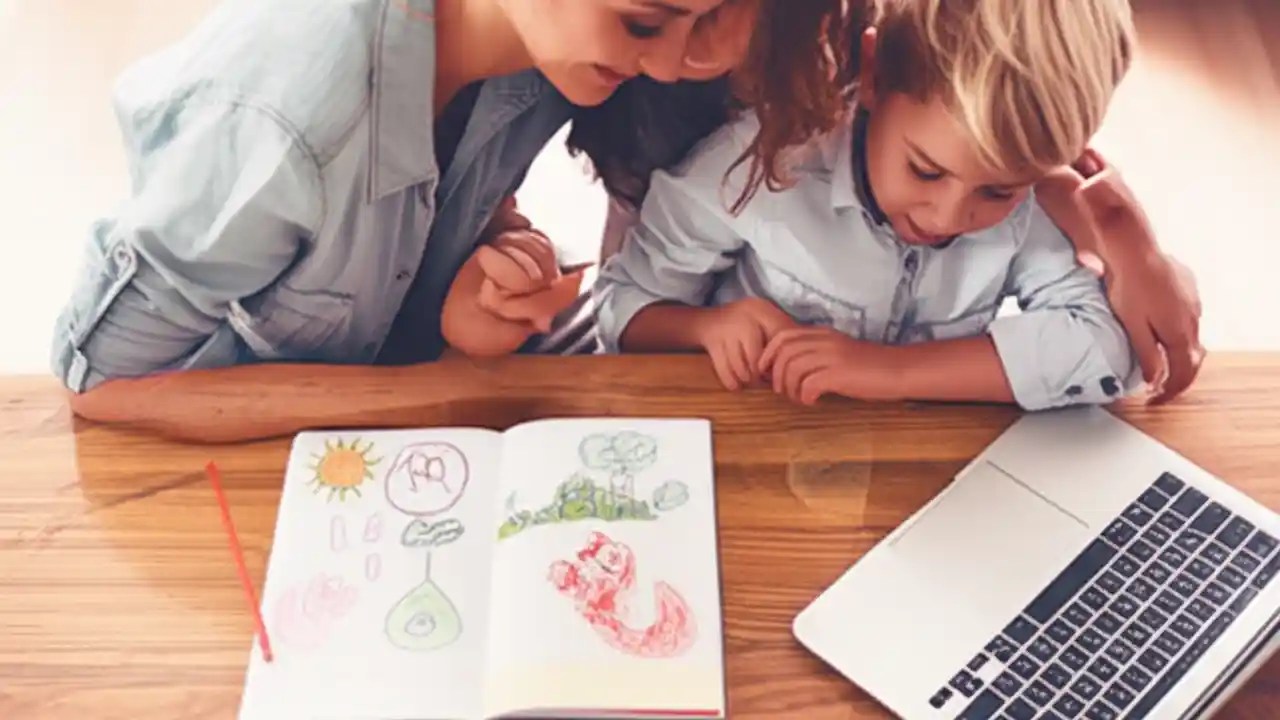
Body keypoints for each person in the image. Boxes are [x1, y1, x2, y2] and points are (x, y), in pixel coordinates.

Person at [52, 0, 1199, 442]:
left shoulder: (563, 57)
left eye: (718, 22)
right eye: (652, 21)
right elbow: (100, 385)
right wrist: (451, 394)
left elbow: (967, 89)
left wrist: (487, 251)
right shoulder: (284, 117)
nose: (690, 63)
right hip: (237, 466)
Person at [592, 0, 1155, 411]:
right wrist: (704, 328)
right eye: (926, 170)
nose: (947, 218)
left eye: (999, 191)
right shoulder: (756, 167)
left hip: (926, 485)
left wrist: (891, 372)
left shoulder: (1031, 201)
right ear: (875, 75)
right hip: (761, 458)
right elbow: (624, 305)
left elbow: (1108, 350)